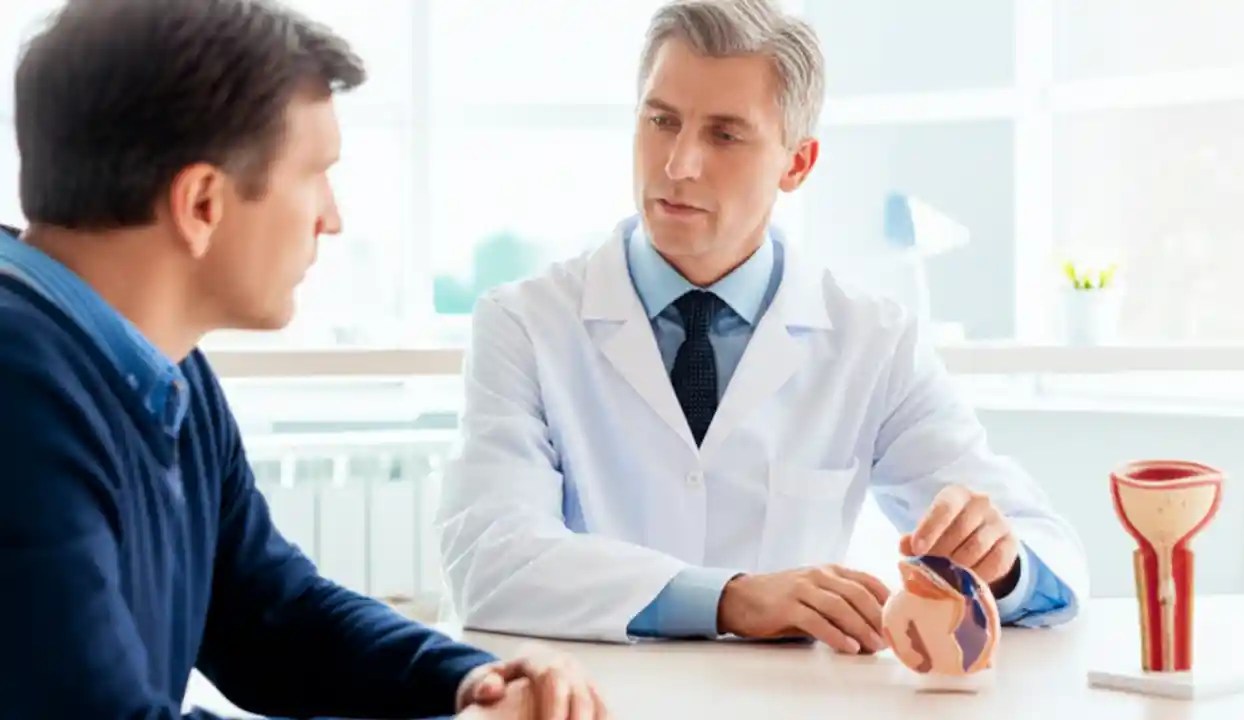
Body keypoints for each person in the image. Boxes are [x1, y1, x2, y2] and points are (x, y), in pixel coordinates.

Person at [0, 1, 606, 718]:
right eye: (315, 174)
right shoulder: (20, 392)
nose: (332, 217)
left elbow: (270, 613)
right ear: (202, 203)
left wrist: (469, 681)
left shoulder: (164, 369)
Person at [437, 0, 1089, 651]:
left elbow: (1050, 553)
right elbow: (491, 559)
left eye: (724, 135)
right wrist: (731, 598)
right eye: (662, 121)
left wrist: (999, 562)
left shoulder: (874, 341)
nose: (678, 164)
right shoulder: (524, 323)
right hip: (593, 699)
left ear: (797, 163)